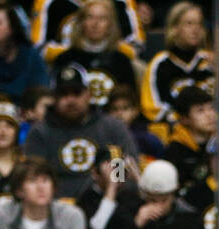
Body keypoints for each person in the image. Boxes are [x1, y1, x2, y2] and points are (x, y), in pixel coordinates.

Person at [24, 63, 138, 198]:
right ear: (54, 98)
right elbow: (35, 178)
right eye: (64, 94)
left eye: (77, 93)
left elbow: (123, 173)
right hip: (56, 207)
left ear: (89, 94)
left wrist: (110, 187)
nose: (71, 100)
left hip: (106, 200)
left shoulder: (112, 128)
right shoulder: (40, 132)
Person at [97, 159, 210, 229]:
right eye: (151, 199)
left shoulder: (189, 218)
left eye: (163, 200)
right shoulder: (127, 211)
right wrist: (136, 224)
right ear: (144, 193)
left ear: (173, 193)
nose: (157, 205)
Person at [49, 0, 138, 109]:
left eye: (102, 18)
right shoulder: (65, 58)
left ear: (111, 25)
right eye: (90, 17)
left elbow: (131, 103)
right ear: (81, 23)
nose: (95, 23)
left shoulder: (121, 60)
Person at [140, 1, 213, 125]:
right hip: (174, 134)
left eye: (199, 24)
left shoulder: (210, 62)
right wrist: (186, 121)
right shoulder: (161, 63)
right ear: (174, 28)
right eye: (189, 24)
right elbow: (152, 109)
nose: (195, 29)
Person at [162, 85, 216, 189]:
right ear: (184, 119)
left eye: (211, 108)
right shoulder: (174, 151)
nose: (210, 115)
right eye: (201, 111)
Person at [106, 84, 165, 159]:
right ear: (108, 112)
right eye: (115, 109)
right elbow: (118, 170)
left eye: (125, 108)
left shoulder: (148, 140)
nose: (119, 114)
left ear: (135, 111)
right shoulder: (104, 139)